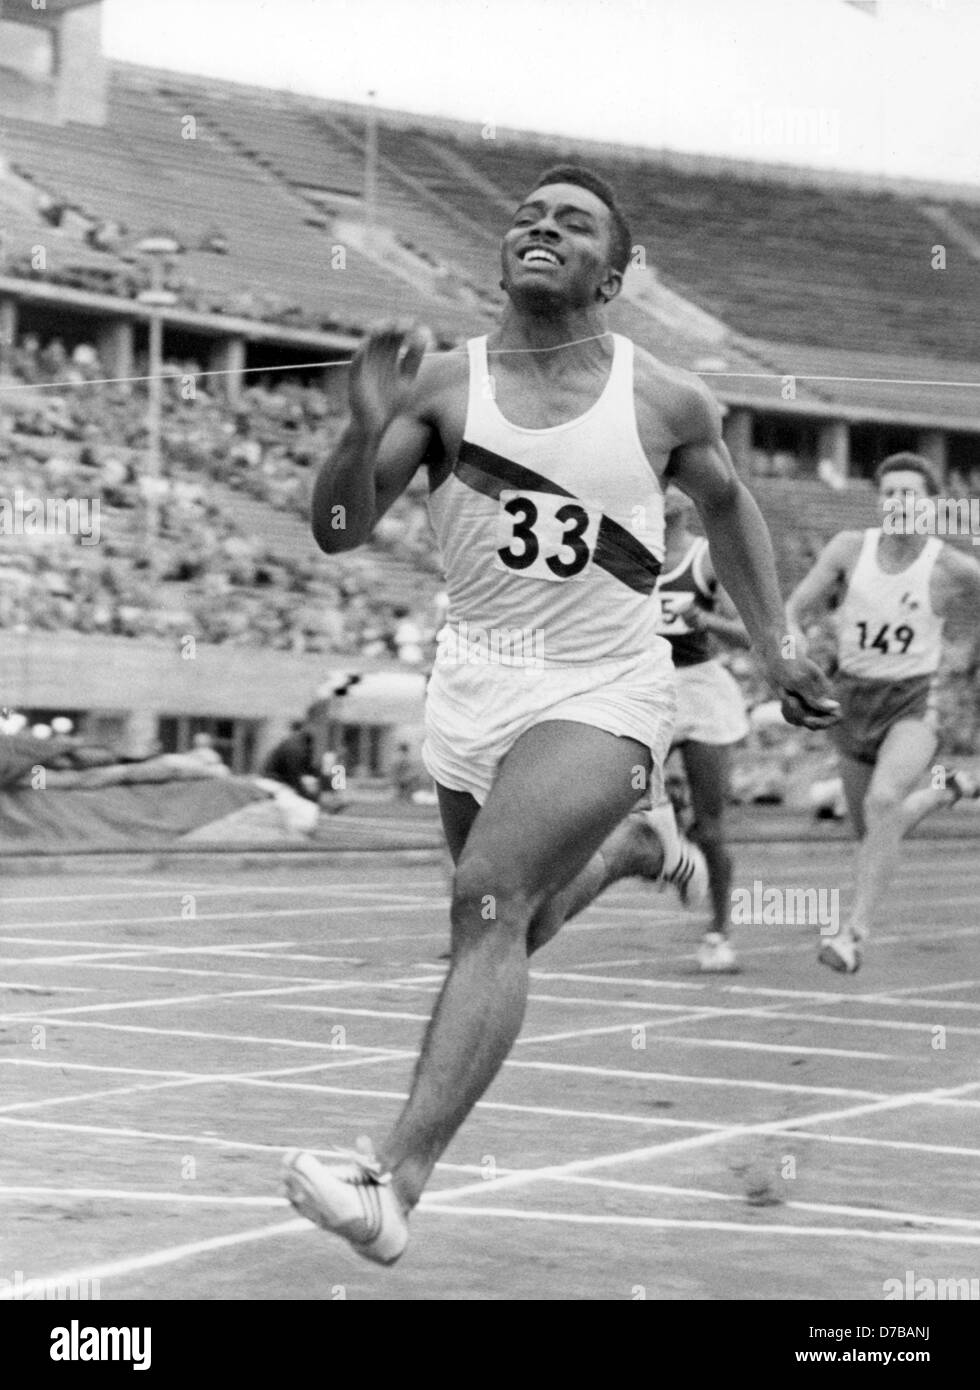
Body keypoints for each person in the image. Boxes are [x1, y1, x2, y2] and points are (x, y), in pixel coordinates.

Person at [283, 165, 838, 1263]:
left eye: (573, 223)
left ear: (613, 274)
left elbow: (728, 515)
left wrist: (775, 647)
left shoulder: (665, 400)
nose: (541, 227)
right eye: (527, 215)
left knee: (485, 898)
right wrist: (359, 430)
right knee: (514, 924)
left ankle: (394, 1179)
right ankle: (633, 847)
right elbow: (339, 530)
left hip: (607, 690)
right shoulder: (442, 387)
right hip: (473, 687)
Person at [787, 452, 980, 973]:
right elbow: (793, 608)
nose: (897, 502)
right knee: (874, 829)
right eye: (889, 492)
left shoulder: (949, 565)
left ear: (931, 504)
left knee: (885, 800)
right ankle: (945, 791)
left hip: (915, 703)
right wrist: (791, 641)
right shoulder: (850, 548)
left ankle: (853, 935)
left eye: (909, 493)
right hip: (852, 702)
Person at [648, 485, 751, 972]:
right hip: (647, 690)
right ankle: (675, 846)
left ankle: (718, 932)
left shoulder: (706, 558)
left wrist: (704, 618)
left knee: (712, 827)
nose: (664, 494)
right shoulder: (627, 553)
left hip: (701, 692)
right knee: (625, 805)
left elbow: (749, 631)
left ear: (688, 501)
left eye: (674, 486)